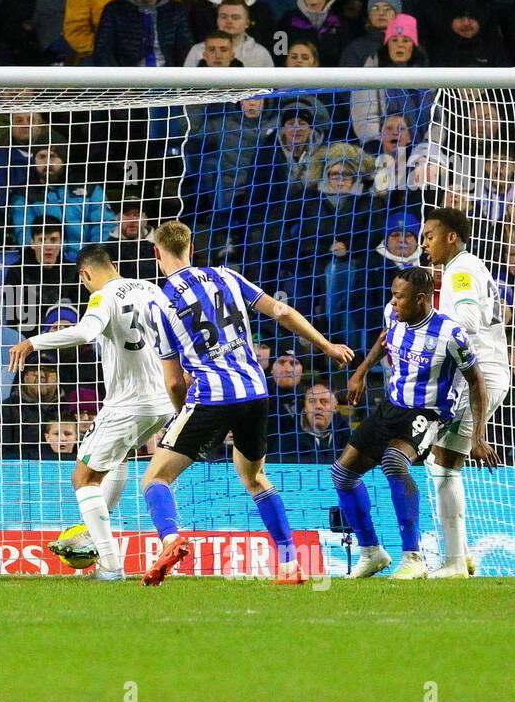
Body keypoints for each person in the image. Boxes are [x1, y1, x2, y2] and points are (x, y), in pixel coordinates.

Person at [137, 220, 354, 586]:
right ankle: (288, 565)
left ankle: (171, 540)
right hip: (255, 391)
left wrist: (185, 418)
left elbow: (173, 380)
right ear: (192, 247)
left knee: (156, 477)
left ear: (157, 252)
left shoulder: (159, 303)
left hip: (212, 395)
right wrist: (327, 347)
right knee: (255, 478)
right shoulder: (227, 276)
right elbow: (283, 313)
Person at [8, 244, 177, 581]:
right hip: (161, 401)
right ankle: (96, 530)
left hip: (128, 403)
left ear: (85, 273)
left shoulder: (103, 296)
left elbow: (85, 332)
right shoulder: (152, 289)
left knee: (83, 478)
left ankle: (111, 565)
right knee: (119, 457)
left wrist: (33, 342)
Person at [338, 267, 500, 581]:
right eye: (393, 295)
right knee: (342, 473)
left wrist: (478, 436)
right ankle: (371, 553)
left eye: (399, 296)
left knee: (393, 461)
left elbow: (477, 382)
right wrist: (361, 371)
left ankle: (413, 558)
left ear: (421, 299)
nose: (393, 302)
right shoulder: (392, 314)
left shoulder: (450, 334)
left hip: (430, 413)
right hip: (392, 406)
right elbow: (384, 341)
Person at [419, 207, 511, 578]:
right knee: (439, 463)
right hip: (476, 374)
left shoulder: (461, 270)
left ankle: (456, 561)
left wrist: (424, 324)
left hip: (478, 376)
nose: (424, 243)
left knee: (443, 465)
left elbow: (469, 321)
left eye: (429, 235)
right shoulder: (464, 268)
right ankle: (459, 556)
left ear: (450, 237)